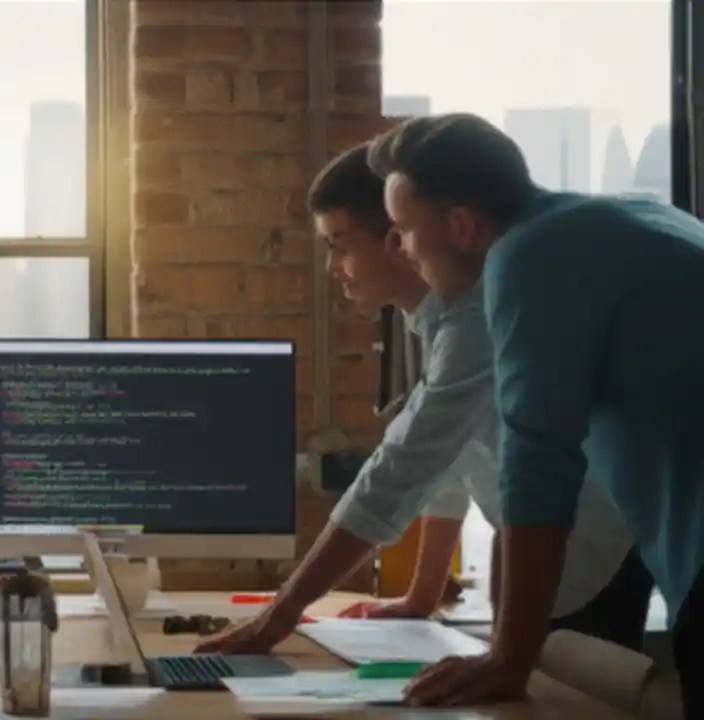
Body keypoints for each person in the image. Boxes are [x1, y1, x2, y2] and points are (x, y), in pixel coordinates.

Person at [194, 143, 651, 656]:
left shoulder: (478, 320)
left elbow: (398, 471)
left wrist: (279, 615)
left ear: (397, 237)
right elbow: (451, 459)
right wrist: (422, 594)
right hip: (553, 547)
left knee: (566, 692)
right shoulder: (440, 320)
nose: (331, 267)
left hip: (587, 551)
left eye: (339, 244)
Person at [360, 112, 703, 714]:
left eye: (406, 229)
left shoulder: (526, 257)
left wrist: (508, 659)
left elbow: (538, 468)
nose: (403, 249)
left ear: (461, 224)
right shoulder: (633, 218)